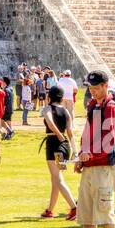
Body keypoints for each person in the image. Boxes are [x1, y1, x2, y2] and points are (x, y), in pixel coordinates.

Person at [68, 71, 115, 228]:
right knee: (86, 210)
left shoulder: (111, 107)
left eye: (96, 87)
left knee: (105, 209)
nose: (92, 91)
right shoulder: (93, 105)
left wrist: (90, 153)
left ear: (105, 85)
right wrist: (82, 157)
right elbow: (88, 134)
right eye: (90, 87)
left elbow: (111, 139)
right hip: (90, 166)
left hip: (104, 166)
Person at [39, 84, 76, 220]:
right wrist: (74, 150)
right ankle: (50, 210)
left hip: (54, 144)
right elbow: (70, 132)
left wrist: (57, 133)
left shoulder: (48, 108)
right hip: (64, 146)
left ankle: (74, 208)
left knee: (58, 179)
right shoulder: (66, 111)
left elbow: (49, 120)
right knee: (56, 178)